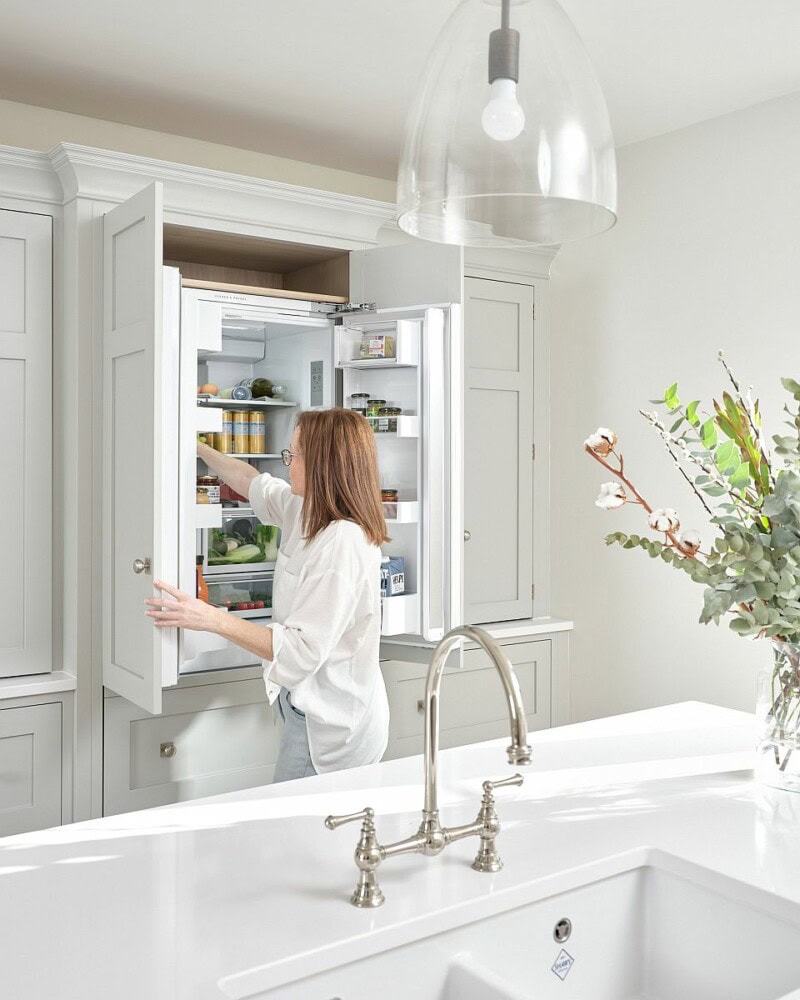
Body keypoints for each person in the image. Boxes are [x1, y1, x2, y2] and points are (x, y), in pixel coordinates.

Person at [145, 408, 391, 782]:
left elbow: (299, 652)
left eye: (294, 455)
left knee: (298, 820)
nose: (287, 463)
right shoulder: (306, 507)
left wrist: (211, 618)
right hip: (307, 707)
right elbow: (250, 480)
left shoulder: (343, 542)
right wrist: (196, 448)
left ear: (323, 465)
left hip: (331, 727)